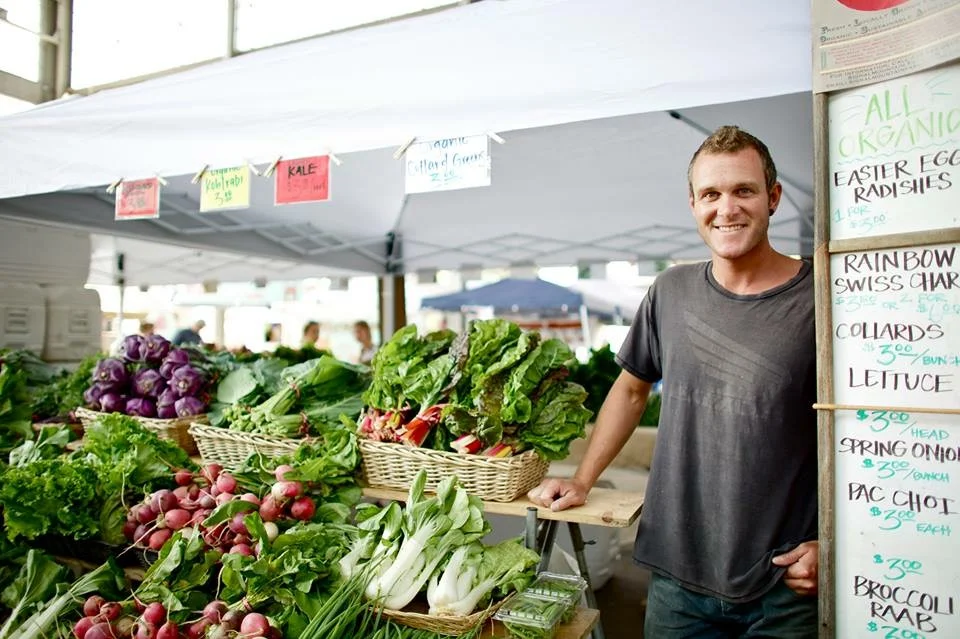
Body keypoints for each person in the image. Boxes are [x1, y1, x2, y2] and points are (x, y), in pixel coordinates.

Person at [528, 126, 818, 638]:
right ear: (693, 205)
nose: (726, 208)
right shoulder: (671, 290)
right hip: (677, 580)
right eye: (711, 194)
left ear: (773, 198)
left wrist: (832, 543)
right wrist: (581, 479)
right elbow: (631, 388)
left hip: (783, 582)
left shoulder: (821, 296)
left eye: (743, 190)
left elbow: (862, 426)